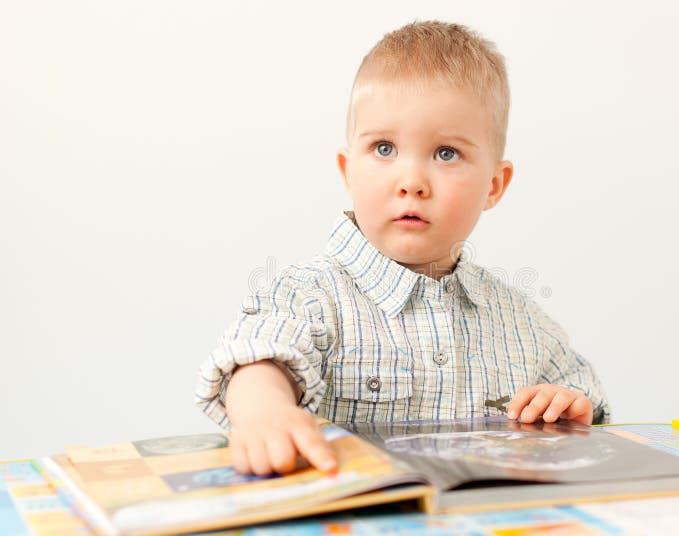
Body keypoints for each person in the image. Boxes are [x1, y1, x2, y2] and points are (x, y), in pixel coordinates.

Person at [195, 20, 610, 477]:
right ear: (348, 170)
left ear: (494, 185)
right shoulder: (311, 296)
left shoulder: (519, 319)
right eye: (384, 148)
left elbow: (584, 390)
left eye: (446, 153)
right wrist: (265, 411)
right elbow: (261, 355)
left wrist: (568, 403)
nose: (411, 182)